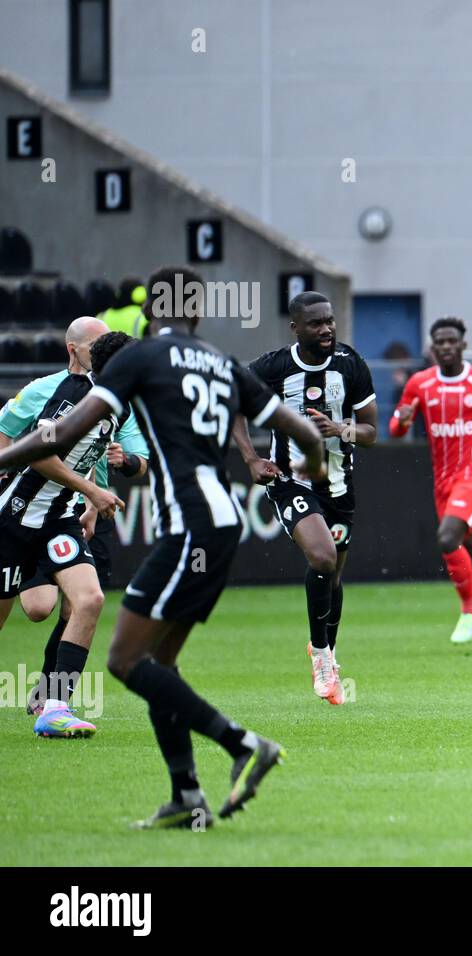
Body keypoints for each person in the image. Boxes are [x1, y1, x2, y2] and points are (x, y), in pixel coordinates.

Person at [0, 265, 326, 828]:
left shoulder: (138, 359)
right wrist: (314, 470)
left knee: (127, 659)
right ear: (198, 312)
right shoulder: (222, 362)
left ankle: (244, 745)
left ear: (151, 313)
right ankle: (187, 797)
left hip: (191, 527)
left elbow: (61, 433)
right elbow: (307, 435)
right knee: (160, 665)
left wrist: (2, 458)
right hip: (223, 525)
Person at [233, 292, 378, 705]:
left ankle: (329, 651)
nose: (327, 328)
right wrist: (250, 458)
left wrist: (340, 430)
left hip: (338, 487)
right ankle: (320, 656)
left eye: (330, 321)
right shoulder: (272, 367)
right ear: (296, 328)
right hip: (290, 481)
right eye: (316, 323)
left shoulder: (351, 364)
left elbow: (371, 433)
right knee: (323, 557)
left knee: (333, 576)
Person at [1, 330, 150, 720]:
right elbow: (39, 452)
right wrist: (94, 492)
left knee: (90, 599)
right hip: (14, 517)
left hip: (59, 518)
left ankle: (54, 708)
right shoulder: (74, 394)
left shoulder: (119, 404)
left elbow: (89, 457)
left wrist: (85, 501)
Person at [389, 317, 472, 651]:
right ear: (432, 348)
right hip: (444, 481)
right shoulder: (420, 383)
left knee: (448, 537)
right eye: (440, 342)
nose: (446, 347)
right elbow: (395, 427)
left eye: (452, 341)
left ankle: (469, 610)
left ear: (463, 345)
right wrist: (402, 422)